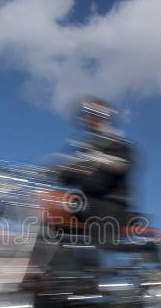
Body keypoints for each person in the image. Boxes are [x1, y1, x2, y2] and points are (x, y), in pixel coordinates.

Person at [57, 96, 133, 245]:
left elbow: (122, 164)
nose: (86, 118)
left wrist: (98, 158)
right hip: (85, 203)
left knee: (100, 220)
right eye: (85, 114)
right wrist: (58, 169)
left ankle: (106, 260)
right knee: (54, 211)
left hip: (110, 202)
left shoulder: (117, 142)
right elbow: (67, 174)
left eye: (90, 113)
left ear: (102, 115)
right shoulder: (84, 144)